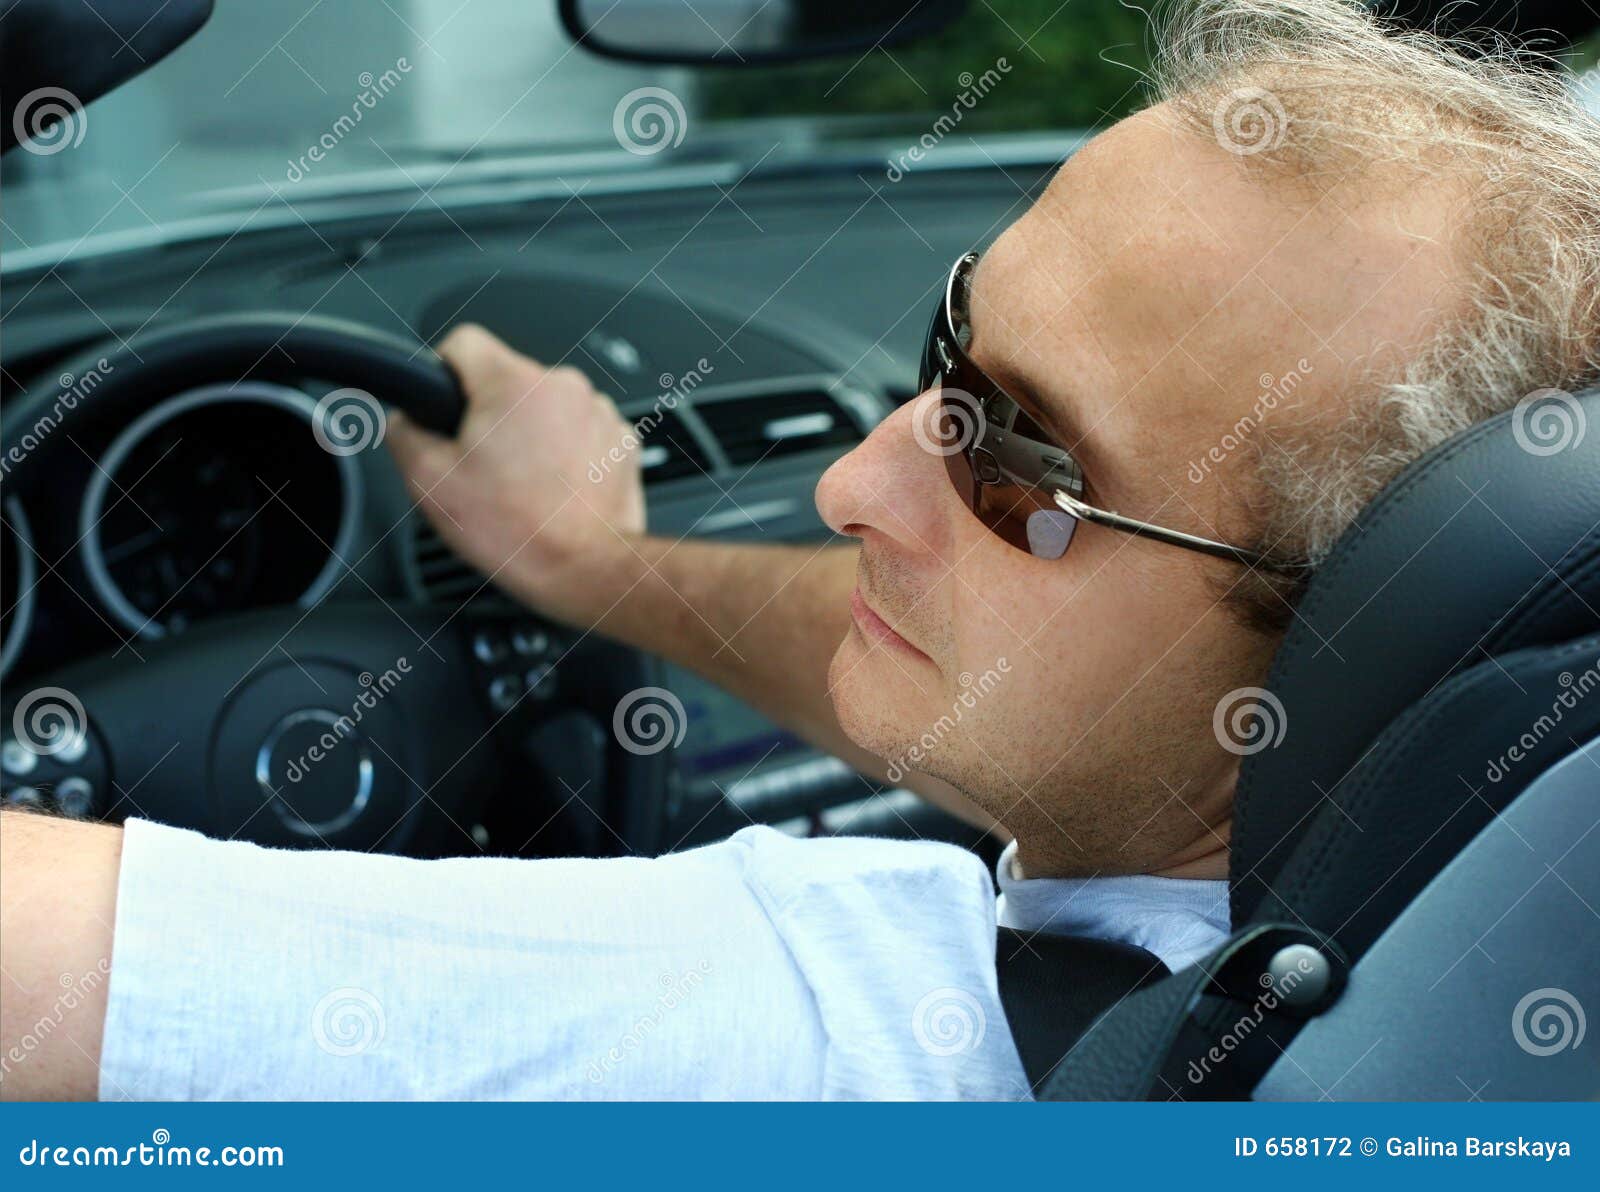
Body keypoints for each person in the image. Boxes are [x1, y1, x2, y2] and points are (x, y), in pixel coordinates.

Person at [5, 0, 1599, 1100]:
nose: (849, 486)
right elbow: (1072, 682)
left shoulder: (823, 1033)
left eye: (1016, 460)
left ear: (1352, 650)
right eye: (948, 347)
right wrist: (601, 567)